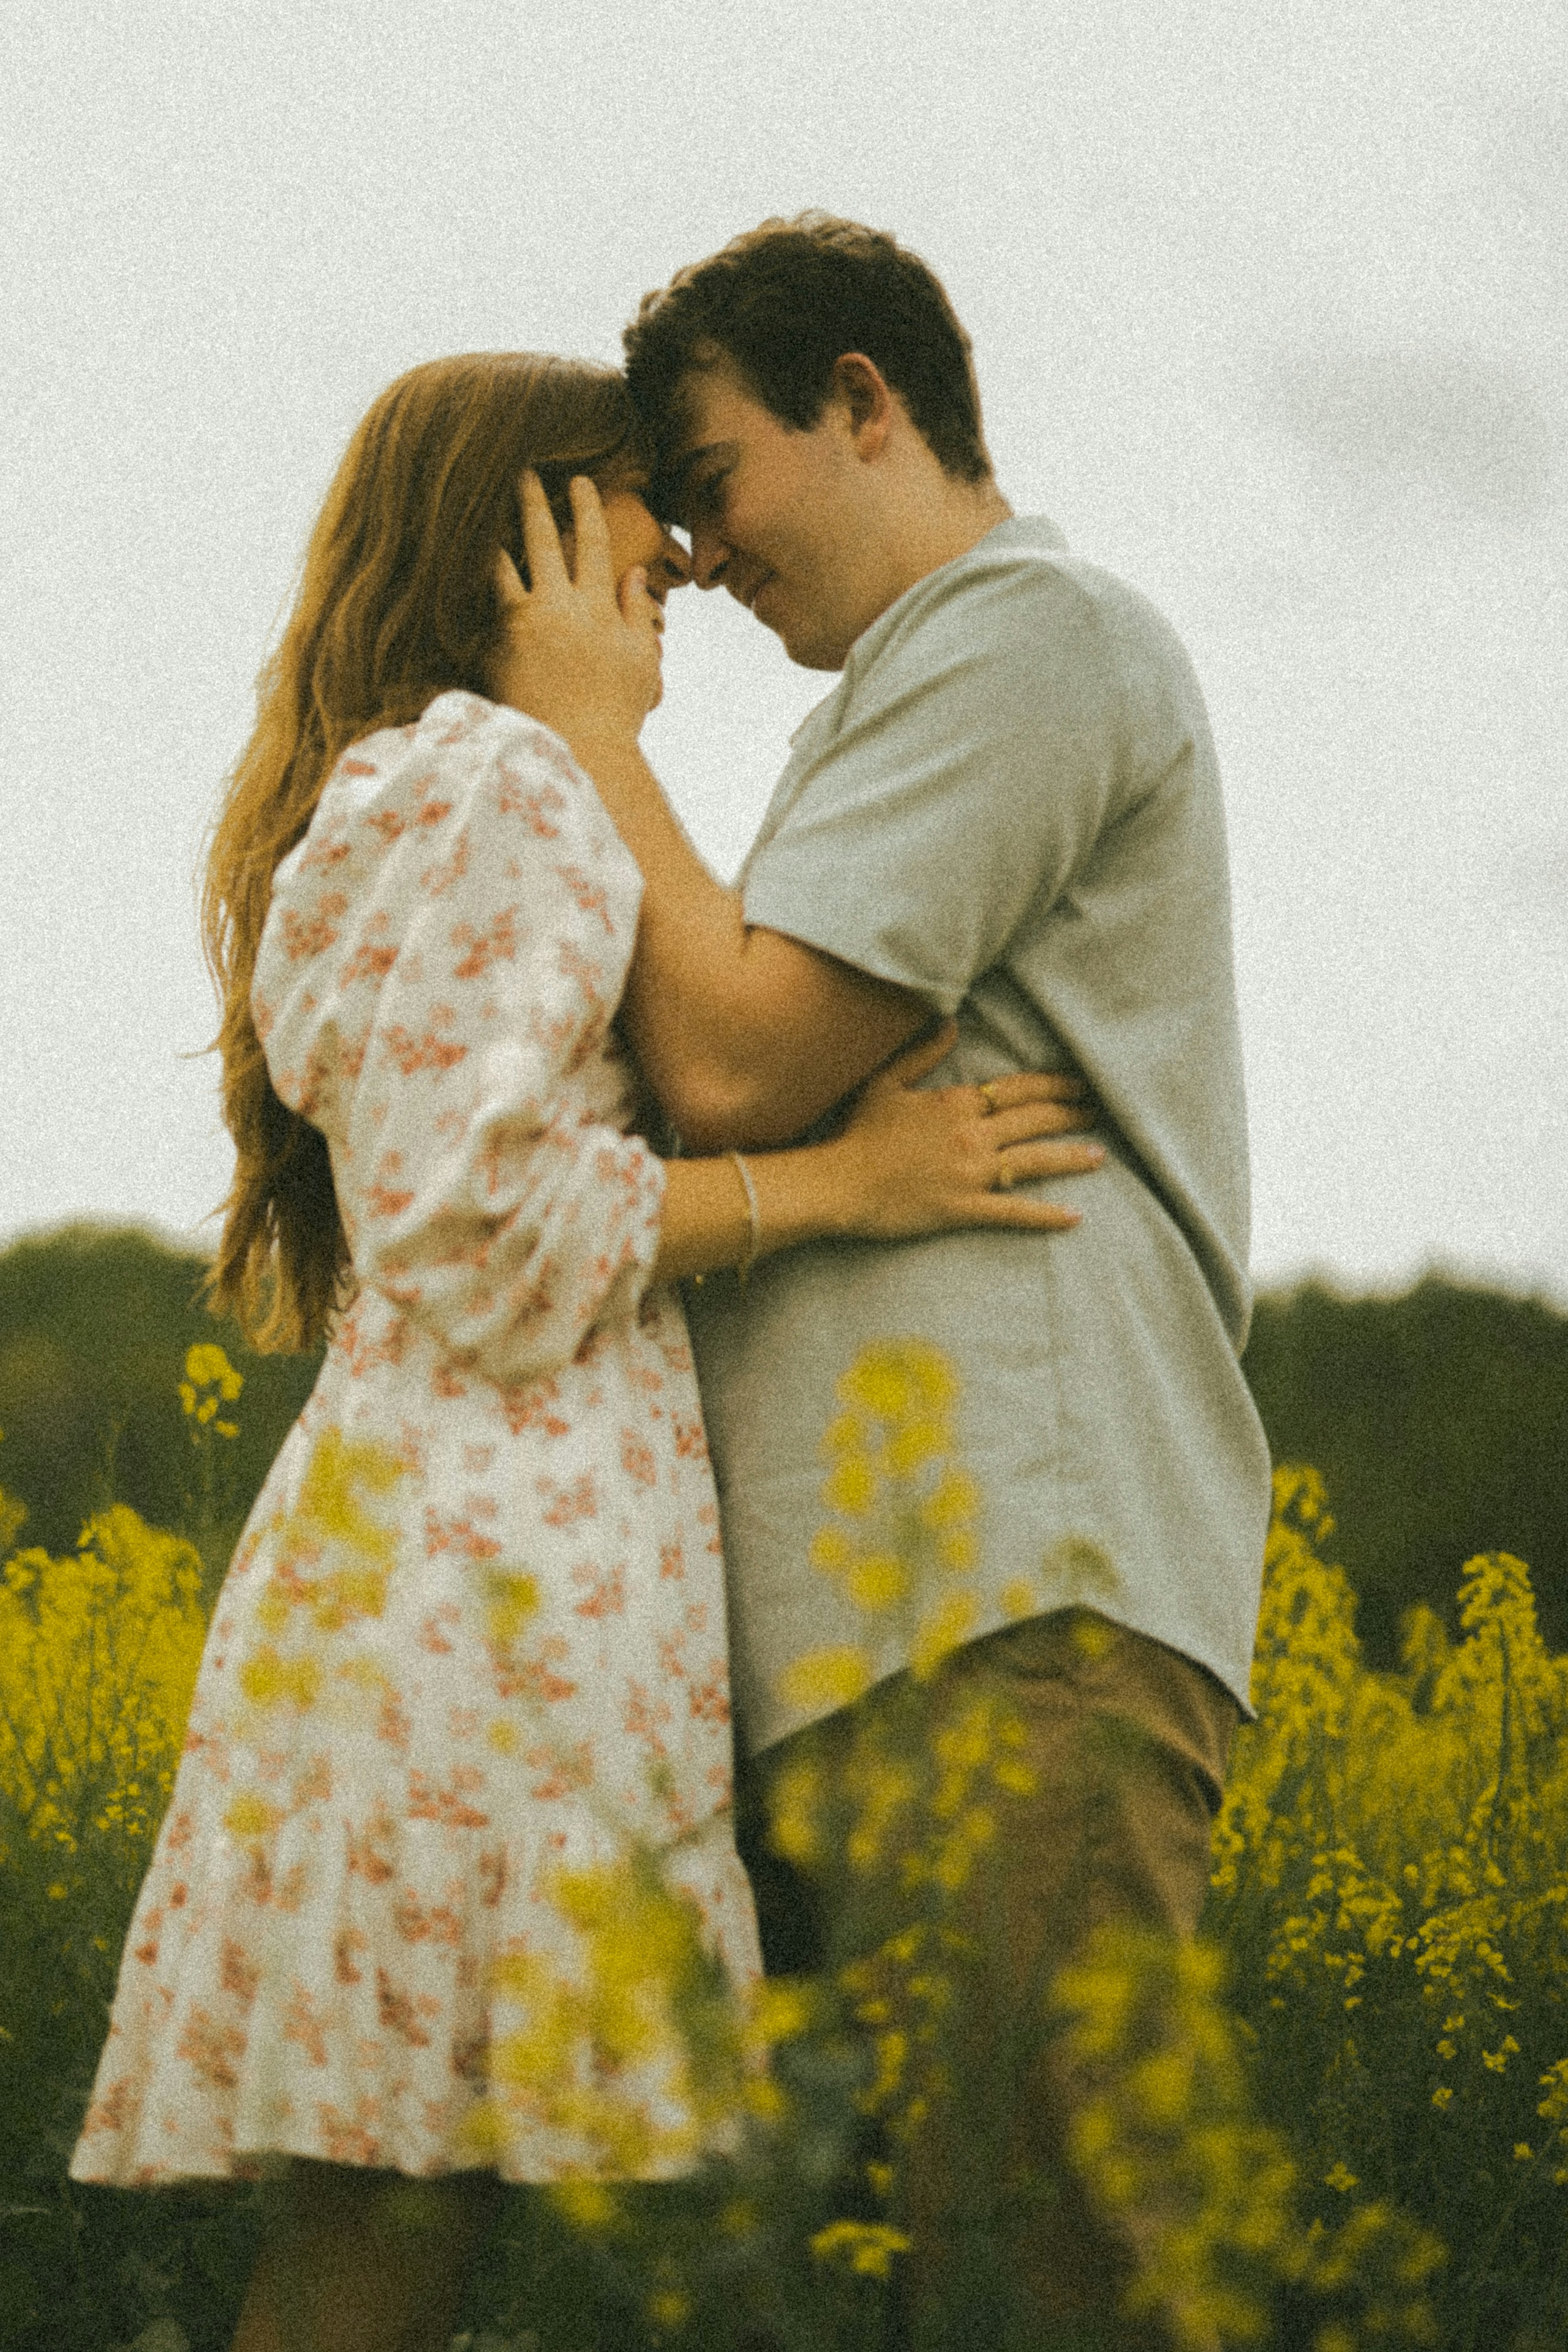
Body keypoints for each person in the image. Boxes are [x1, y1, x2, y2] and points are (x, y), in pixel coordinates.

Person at [67, 351, 1102, 2352]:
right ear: (529, 529)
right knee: (390, 2230)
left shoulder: (424, 778)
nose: (685, 557)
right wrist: (852, 1183)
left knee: (402, 2223)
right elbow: (482, 1228)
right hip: (485, 1607)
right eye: (645, 502)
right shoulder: (499, 782)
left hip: (443, 1581)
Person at [483, 217, 1274, 2347]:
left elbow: (736, 1053)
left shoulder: (1035, 639)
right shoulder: (893, 714)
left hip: (1013, 1606)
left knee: (1052, 2294)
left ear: (866, 400)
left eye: (715, 481)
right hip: (890, 1642)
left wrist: (589, 735)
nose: (708, 565)